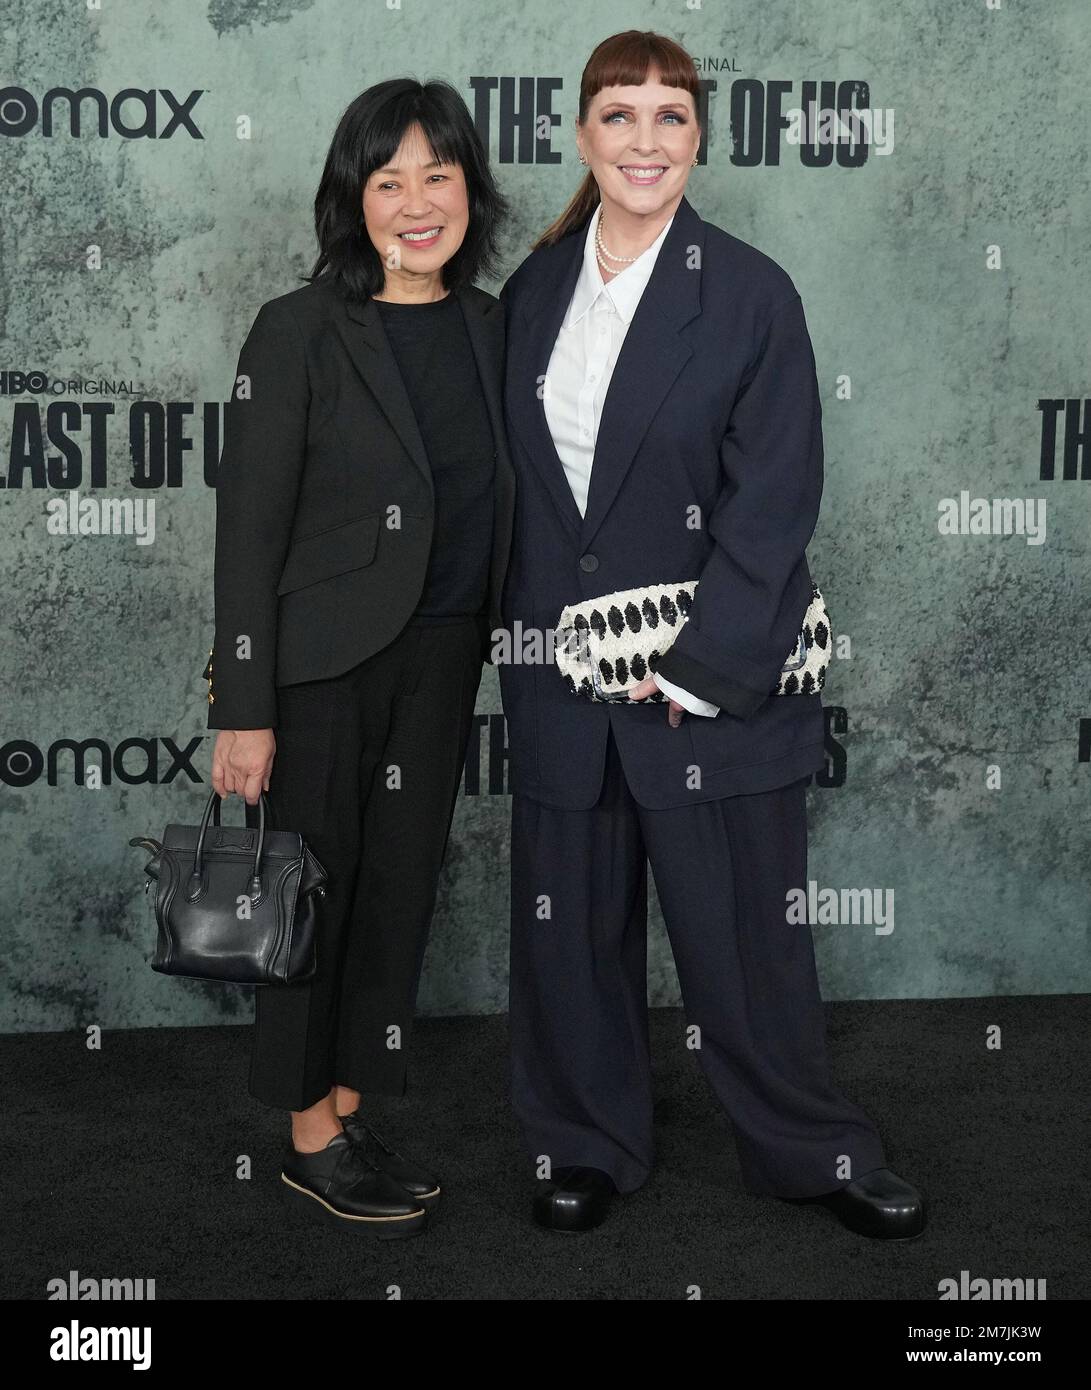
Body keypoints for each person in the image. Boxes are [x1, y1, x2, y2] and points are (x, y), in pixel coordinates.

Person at [497, 29, 925, 1239]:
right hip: (560, 684)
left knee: (747, 941)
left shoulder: (747, 293)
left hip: (709, 680)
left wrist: (702, 669)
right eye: (619, 115)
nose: (644, 140)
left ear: (698, 138)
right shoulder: (531, 293)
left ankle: (811, 1148)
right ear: (580, 133)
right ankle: (580, 1140)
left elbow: (774, 499)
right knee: (566, 936)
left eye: (669, 117)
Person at [204, 78, 513, 1237]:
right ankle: (305, 1137)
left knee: (393, 895)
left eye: (438, 176)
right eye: (390, 181)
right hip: (320, 670)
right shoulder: (296, 331)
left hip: (442, 659)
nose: (416, 201)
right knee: (312, 898)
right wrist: (244, 705)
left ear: (467, 192)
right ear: (355, 200)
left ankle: (343, 1104)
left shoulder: (490, 326)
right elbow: (249, 531)